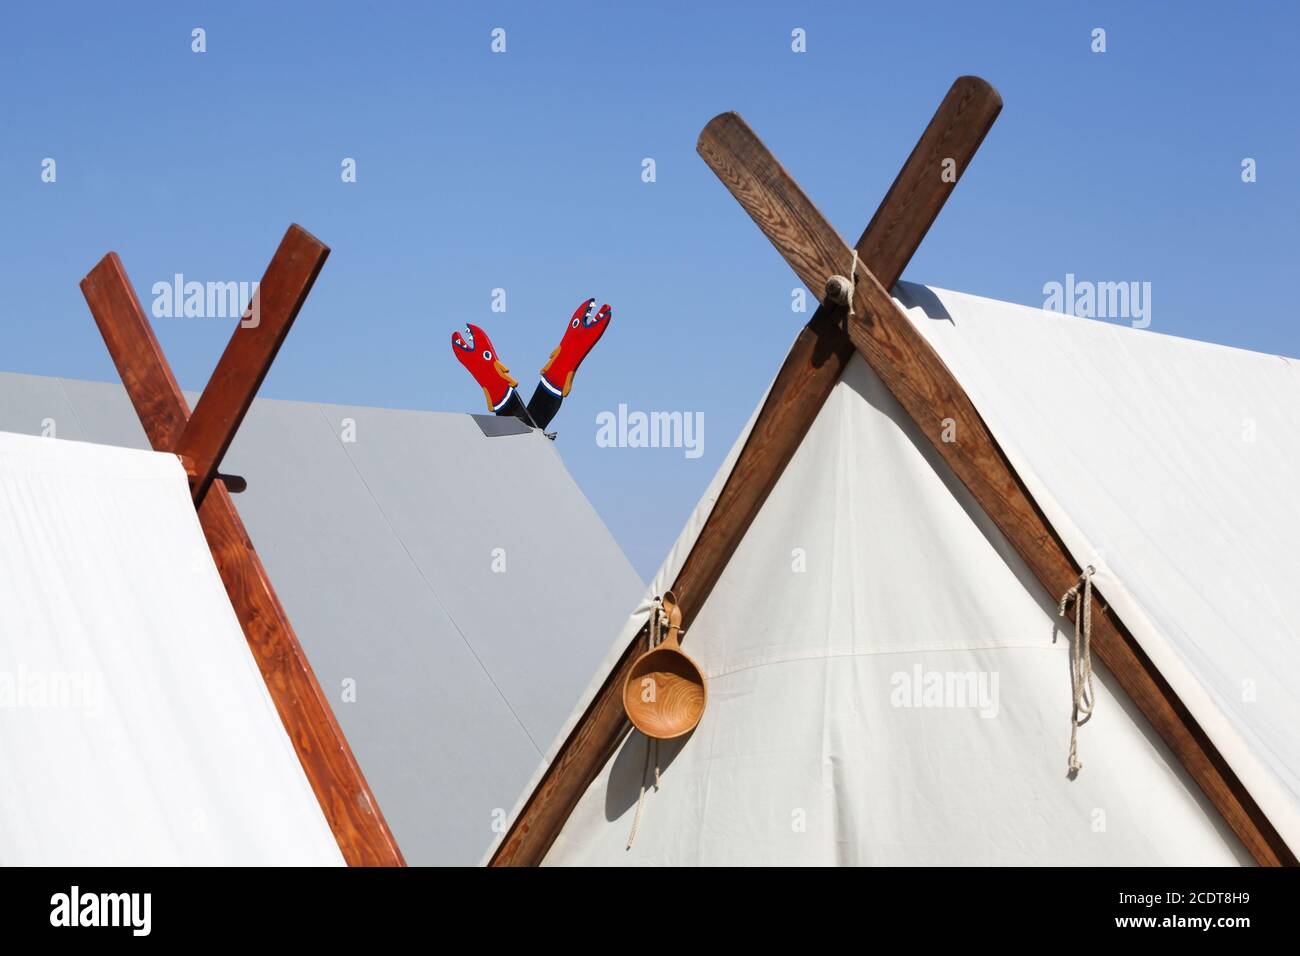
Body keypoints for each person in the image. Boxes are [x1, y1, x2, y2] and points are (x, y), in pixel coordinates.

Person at [451, 298, 612, 430]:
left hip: (532, 406)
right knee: (527, 424)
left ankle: (498, 390)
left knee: (527, 423)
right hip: (532, 409)